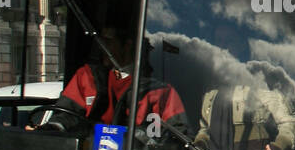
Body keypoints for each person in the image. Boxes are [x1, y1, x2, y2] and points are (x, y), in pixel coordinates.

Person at [32, 23, 186, 136]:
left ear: (127, 45)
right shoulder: (87, 77)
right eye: (101, 41)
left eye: (108, 42)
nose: (102, 47)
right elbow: (65, 115)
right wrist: (54, 127)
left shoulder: (160, 91)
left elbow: (178, 134)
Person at [194, 24, 295, 150]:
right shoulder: (211, 91)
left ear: (241, 46)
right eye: (219, 41)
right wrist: (200, 143)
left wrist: (277, 147)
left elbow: (290, 122)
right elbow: (205, 128)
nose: (224, 47)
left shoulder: (258, 82)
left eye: (229, 41)